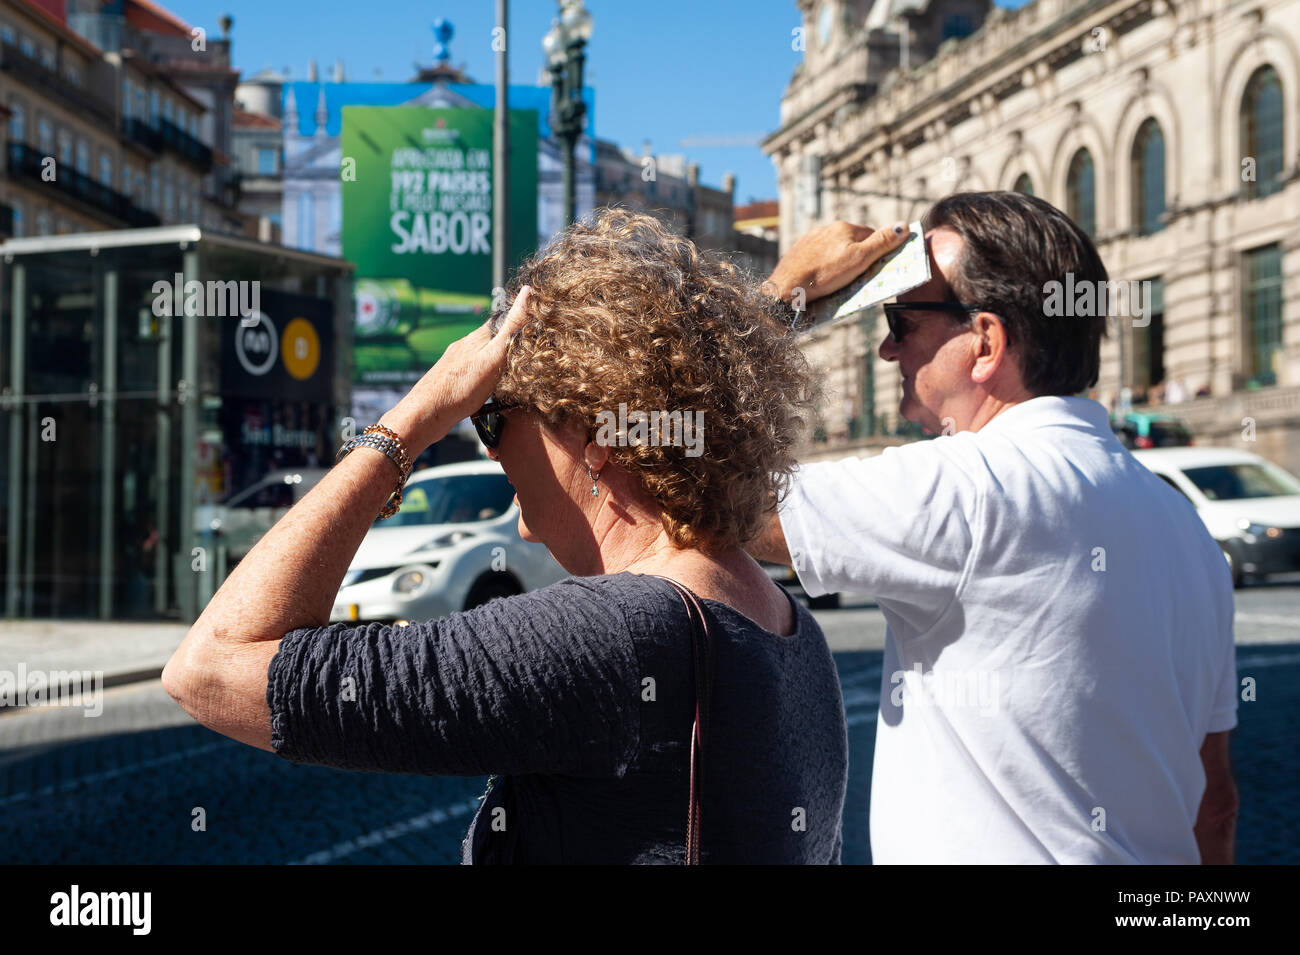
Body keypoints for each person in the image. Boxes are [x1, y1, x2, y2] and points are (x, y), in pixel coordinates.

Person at [162, 209, 849, 864]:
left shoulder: (617, 636)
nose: (489, 450)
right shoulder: (795, 633)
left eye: (490, 415)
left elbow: (210, 667)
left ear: (594, 431)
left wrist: (409, 422)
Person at [750, 191, 1239, 864]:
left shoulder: (964, 487)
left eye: (901, 318)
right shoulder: (1190, 533)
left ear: (985, 340)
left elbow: (683, 482)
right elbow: (1215, 806)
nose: (889, 347)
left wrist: (781, 298)